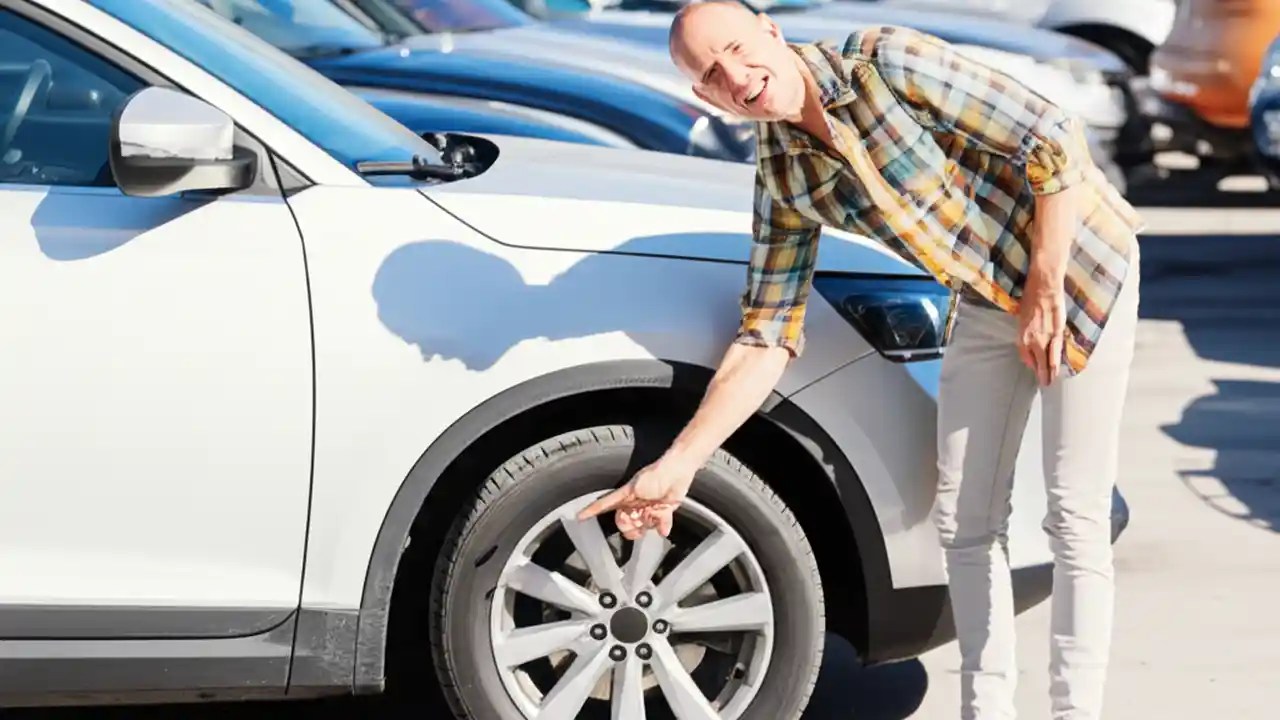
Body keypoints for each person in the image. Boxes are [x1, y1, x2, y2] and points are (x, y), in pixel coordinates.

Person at [578, 1, 1144, 718]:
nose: (736, 76)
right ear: (705, 98)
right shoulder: (783, 177)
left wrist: (1043, 287)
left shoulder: (886, 63)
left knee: (1074, 511)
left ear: (772, 34)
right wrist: (678, 465)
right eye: (711, 74)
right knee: (965, 521)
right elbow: (766, 335)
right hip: (984, 298)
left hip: (1082, 268)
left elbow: (1054, 141)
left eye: (736, 49)